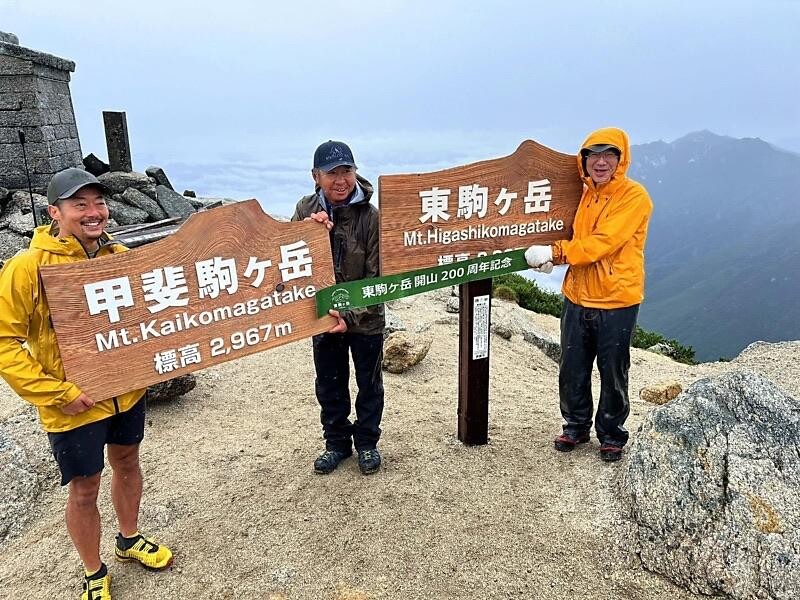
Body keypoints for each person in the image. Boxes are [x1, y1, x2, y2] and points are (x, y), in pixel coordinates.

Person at [0, 168, 173, 600]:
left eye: (98, 203)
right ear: (53, 212)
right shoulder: (28, 267)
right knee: (84, 486)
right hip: (72, 403)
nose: (93, 213)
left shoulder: (118, 255)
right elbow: (4, 340)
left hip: (125, 390)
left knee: (128, 462)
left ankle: (129, 539)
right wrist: (58, 393)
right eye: (80, 205)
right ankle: (94, 571)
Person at [525, 127, 653, 462]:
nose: (600, 162)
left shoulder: (634, 197)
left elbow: (602, 243)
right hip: (577, 295)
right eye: (593, 155)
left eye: (609, 154)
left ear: (621, 159)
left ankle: (611, 434)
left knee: (612, 370)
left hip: (617, 299)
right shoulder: (581, 193)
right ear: (583, 159)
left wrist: (556, 253)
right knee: (573, 367)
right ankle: (575, 426)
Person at [292, 140, 385, 475]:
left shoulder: (371, 217)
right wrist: (310, 232)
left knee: (369, 383)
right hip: (323, 318)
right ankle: (336, 444)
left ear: (355, 172)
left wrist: (349, 316)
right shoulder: (304, 210)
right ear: (316, 176)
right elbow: (292, 263)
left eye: (346, 171)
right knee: (329, 383)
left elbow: (377, 277)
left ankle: (367, 444)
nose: (340, 180)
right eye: (332, 173)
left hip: (366, 319)